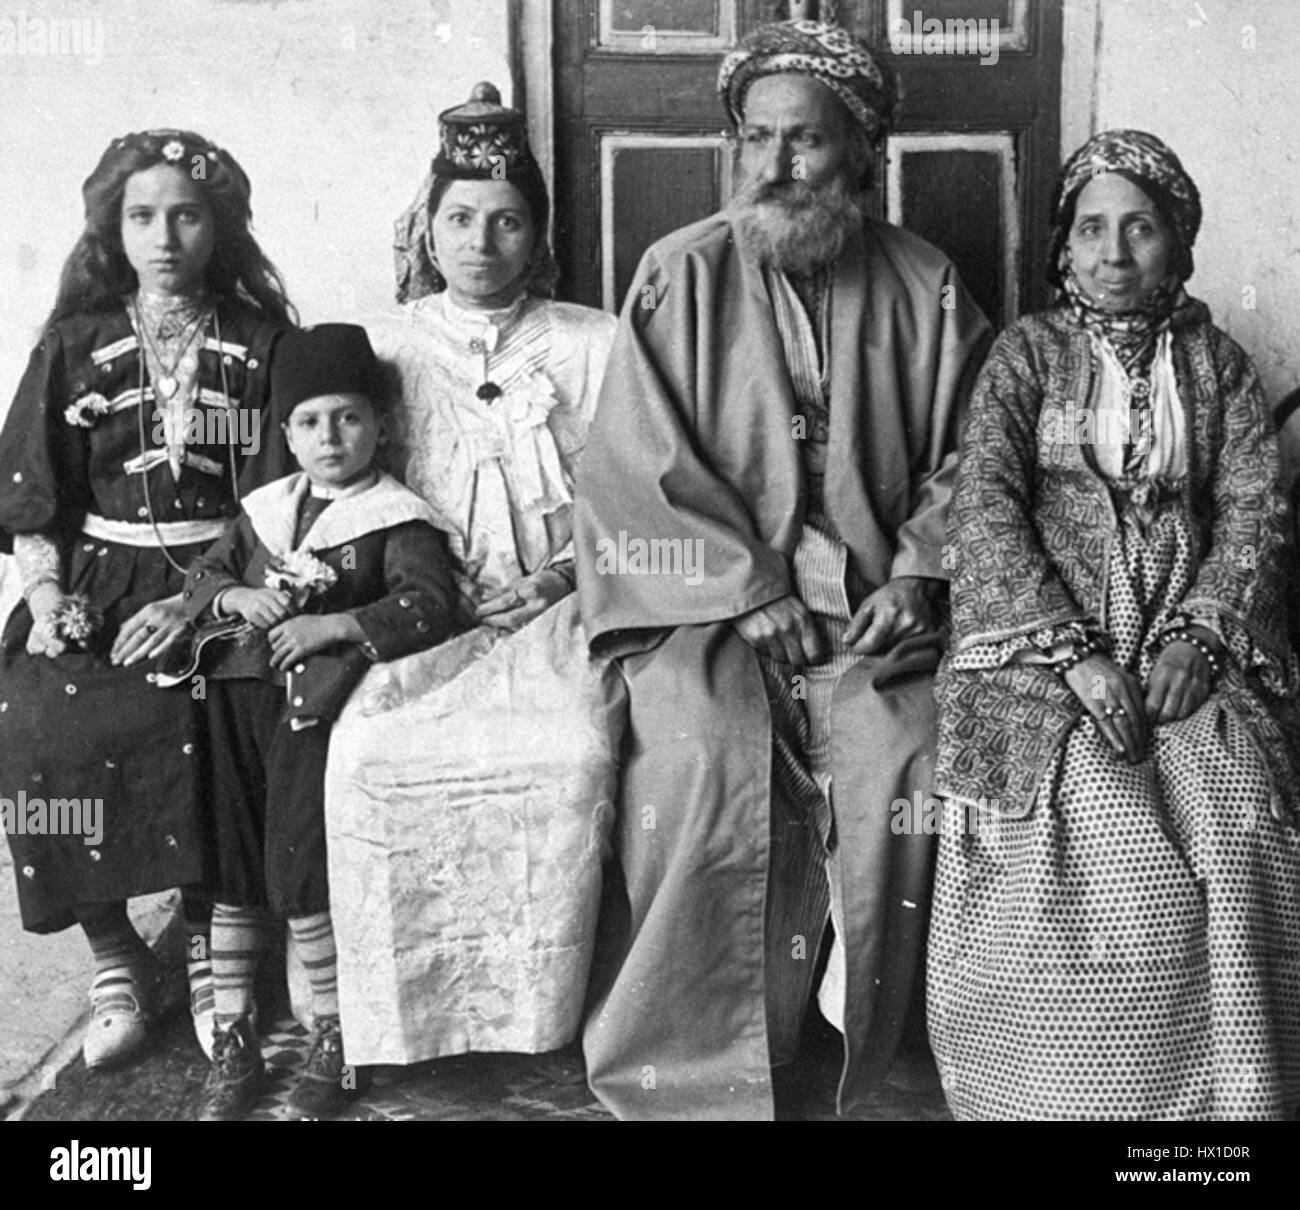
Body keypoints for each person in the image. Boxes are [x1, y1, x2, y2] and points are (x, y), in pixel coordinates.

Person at [573, 19, 991, 1120]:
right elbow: (630, 468)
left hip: (868, 617)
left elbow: (974, 459)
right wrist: (742, 585)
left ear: (859, 151)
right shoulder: (679, 273)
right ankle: (705, 1067)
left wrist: (919, 573)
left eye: (804, 143)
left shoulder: (927, 283)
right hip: (706, 614)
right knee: (701, 766)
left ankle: (876, 1049)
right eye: (755, 139)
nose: (775, 166)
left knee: (903, 754)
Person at [928, 130, 1300, 1120]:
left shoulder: (1216, 364)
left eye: (1140, 228)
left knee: (1230, 813)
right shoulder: (1024, 355)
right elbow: (985, 507)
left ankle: (1229, 1104)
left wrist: (1203, 634)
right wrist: (1071, 653)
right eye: (1091, 228)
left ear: (1178, 245)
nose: (1114, 251)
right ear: (1061, 247)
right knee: (1091, 823)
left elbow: (1258, 506)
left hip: (1186, 637)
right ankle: (1055, 1100)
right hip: (1044, 649)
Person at [319, 84, 621, 1069]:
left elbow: (639, 495)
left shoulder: (594, 340)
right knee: (367, 754)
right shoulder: (389, 345)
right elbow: (342, 490)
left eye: (505, 221)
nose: (480, 241)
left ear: (534, 235)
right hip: (426, 622)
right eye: (459, 218)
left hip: (559, 616)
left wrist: (559, 580)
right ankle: (400, 1025)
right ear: (427, 228)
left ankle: (540, 1021)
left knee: (571, 755)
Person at [0, 129, 295, 1070]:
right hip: (95, 580)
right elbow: (33, 494)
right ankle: (116, 953)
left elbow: (281, 501)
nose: (164, 235)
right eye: (142, 216)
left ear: (221, 227)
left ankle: (213, 942)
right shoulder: (73, 345)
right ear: (111, 229)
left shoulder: (262, 343)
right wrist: (45, 598)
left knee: (225, 716)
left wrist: (206, 598)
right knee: (44, 721)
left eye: (187, 215)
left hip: (222, 576)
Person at [176, 323, 458, 1120]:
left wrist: (334, 626)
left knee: (300, 869)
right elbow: (204, 577)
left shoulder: (394, 517)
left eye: (348, 418)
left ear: (380, 426)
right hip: (235, 705)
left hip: (313, 716)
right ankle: (233, 1041)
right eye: (308, 422)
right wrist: (236, 598)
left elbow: (429, 604)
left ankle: (333, 1036)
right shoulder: (266, 513)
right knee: (232, 868)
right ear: (286, 433)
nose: (329, 437)